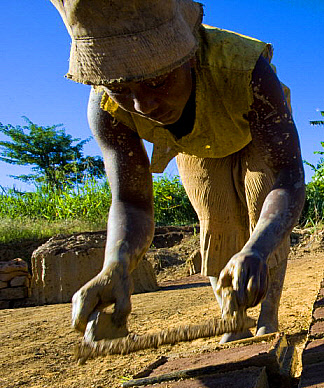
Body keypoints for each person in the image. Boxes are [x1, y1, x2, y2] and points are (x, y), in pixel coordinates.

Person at [50, 0, 305, 343]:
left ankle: (268, 315)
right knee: (216, 219)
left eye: (156, 82)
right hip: (194, 144)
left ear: (188, 58)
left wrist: (256, 250)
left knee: (262, 207)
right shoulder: (108, 107)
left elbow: (288, 175)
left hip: (253, 131)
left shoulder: (246, 70)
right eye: (122, 89)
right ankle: (233, 317)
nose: (143, 106)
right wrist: (117, 264)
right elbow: (131, 201)